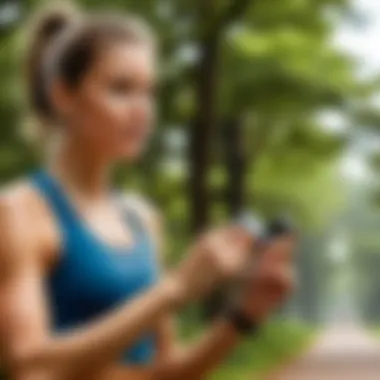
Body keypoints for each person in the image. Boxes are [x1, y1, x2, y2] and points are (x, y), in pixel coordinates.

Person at [0, 5, 295, 380]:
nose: (143, 110)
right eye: (121, 89)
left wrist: (243, 317)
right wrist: (175, 289)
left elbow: (167, 371)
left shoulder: (142, 219)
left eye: (149, 92)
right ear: (63, 95)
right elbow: (27, 361)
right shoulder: (19, 212)